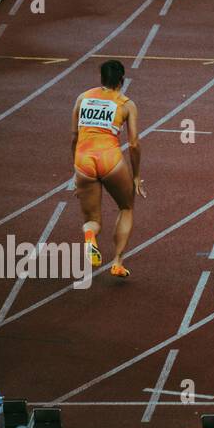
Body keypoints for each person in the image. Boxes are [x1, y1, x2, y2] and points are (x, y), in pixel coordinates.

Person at [72, 59, 145, 278]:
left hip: (83, 160)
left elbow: (74, 137)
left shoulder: (83, 98)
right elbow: (133, 144)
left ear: (101, 79)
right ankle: (117, 261)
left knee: (92, 221)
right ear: (121, 80)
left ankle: (89, 237)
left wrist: (75, 174)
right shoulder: (125, 104)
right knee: (126, 207)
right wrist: (137, 176)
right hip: (109, 159)